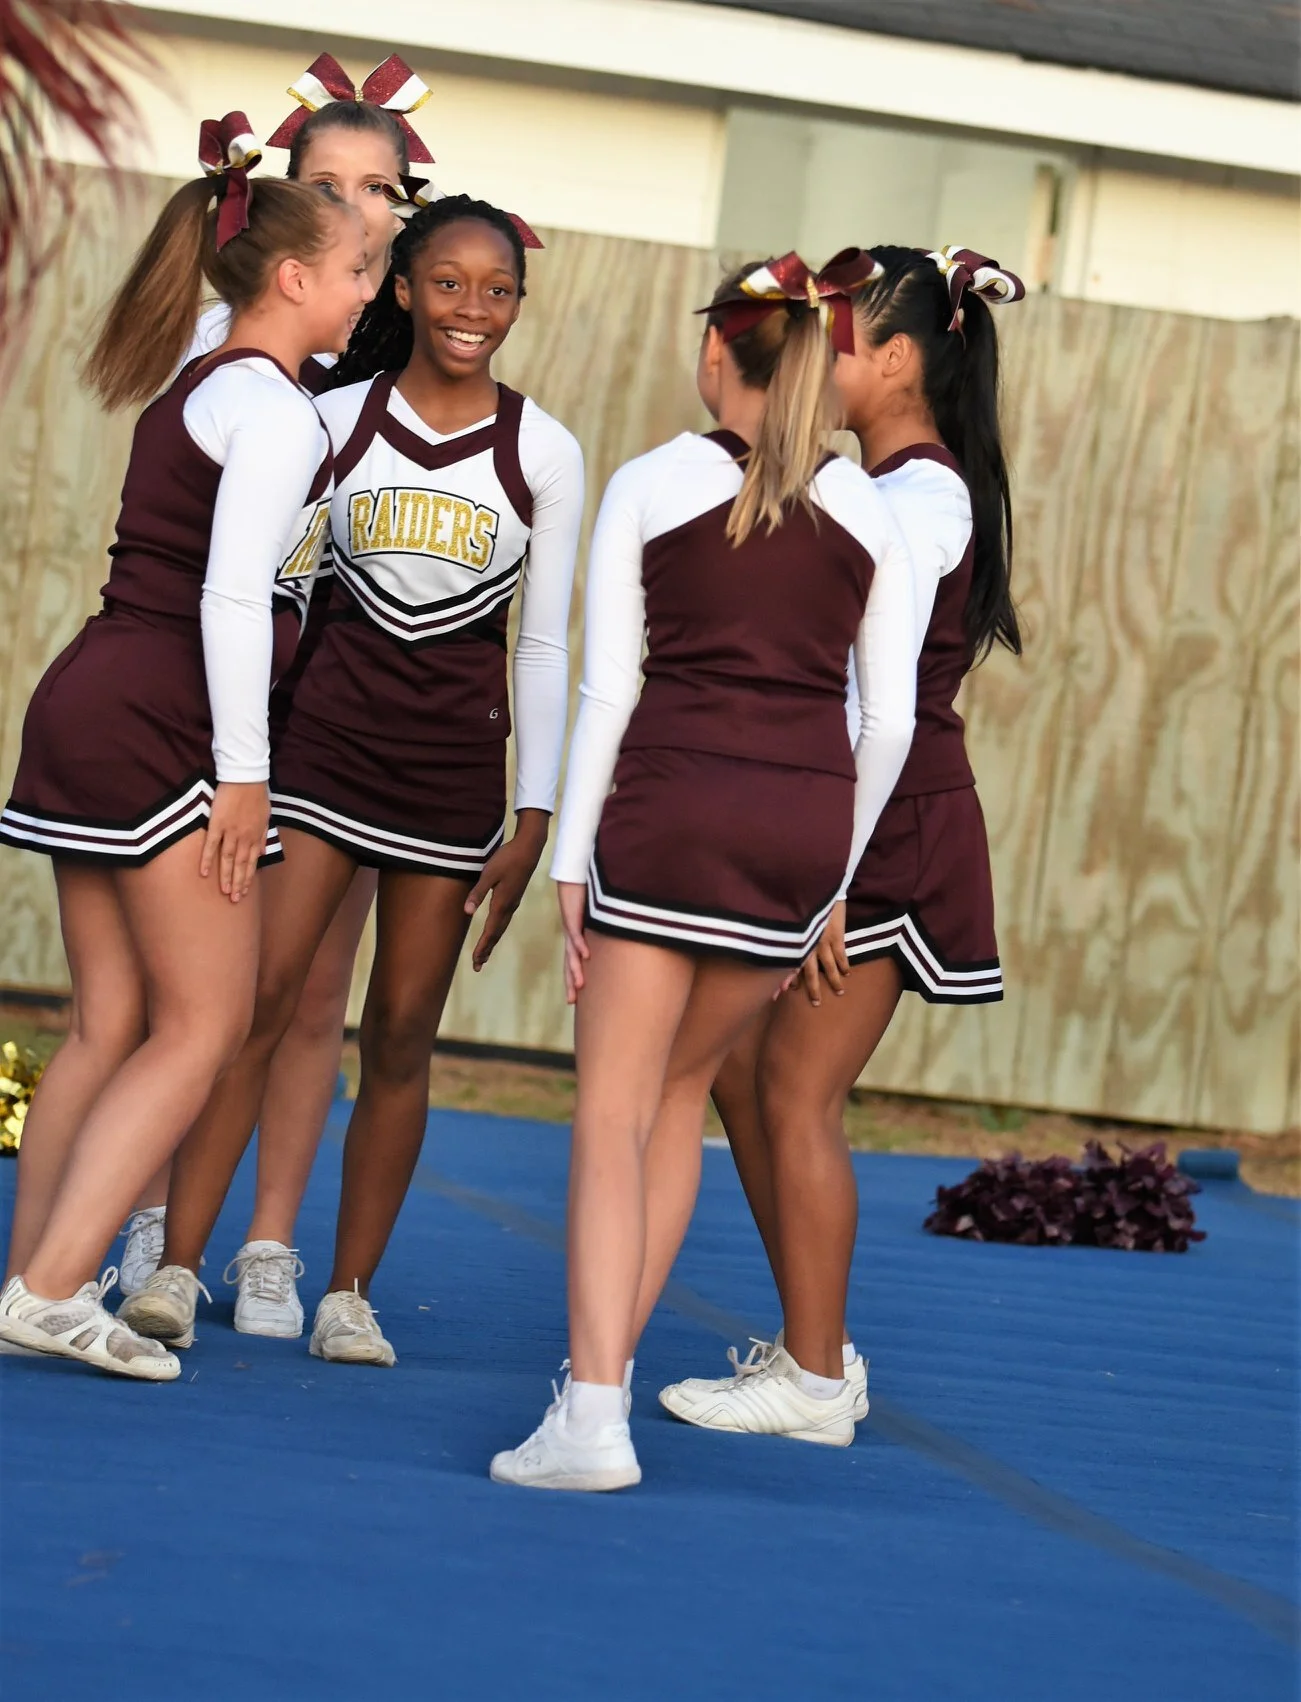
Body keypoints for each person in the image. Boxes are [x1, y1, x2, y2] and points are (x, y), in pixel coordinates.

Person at [120, 195, 583, 1366]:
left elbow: (540, 643)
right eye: (447, 283)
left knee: (401, 1030)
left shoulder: (545, 449)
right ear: (400, 290)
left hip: (450, 774)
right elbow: (267, 590)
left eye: (498, 289)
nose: (473, 308)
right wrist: (245, 758)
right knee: (260, 1007)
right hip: (320, 750)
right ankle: (178, 1260)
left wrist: (534, 814)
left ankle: (350, 1292)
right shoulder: (327, 417)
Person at [490, 250, 922, 1491]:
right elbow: (882, 722)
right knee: (680, 1099)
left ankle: (592, 1417)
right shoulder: (867, 511)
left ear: (713, 355)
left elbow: (605, 684)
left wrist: (571, 857)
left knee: (616, 1114)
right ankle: (598, 1385)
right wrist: (833, 873)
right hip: (792, 836)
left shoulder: (651, 480)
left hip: (670, 810)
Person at [0, 116, 371, 1378]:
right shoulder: (274, 411)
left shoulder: (201, 383)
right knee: (203, 1024)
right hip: (164, 717)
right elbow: (229, 599)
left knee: (110, 1021)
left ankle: (29, 1277)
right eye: (361, 270)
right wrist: (246, 775)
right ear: (293, 279)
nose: (369, 291)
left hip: (93, 698)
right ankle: (54, 1285)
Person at [655, 244, 1025, 1441]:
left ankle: (815, 1379)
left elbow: (880, 702)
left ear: (902, 360)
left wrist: (828, 880)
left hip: (885, 822)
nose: (815, 356)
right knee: (734, 1069)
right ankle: (811, 1344)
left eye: (840, 336)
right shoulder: (877, 481)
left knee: (794, 1088)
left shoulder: (919, 498)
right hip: (847, 812)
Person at [118, 55, 431, 1335]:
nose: (358, 209)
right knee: (186, 984)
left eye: (381, 189)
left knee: (308, 989)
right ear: (283, 211)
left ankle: (267, 1242)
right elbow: (190, 545)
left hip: (338, 684)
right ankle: (145, 1218)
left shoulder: (405, 347)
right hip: (223, 681)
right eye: (329, 185)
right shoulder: (231, 349)